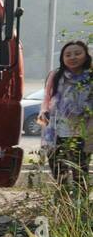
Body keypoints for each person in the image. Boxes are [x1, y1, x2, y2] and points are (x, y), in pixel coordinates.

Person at [38, 40, 93, 187]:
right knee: (59, 174)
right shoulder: (56, 75)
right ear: (62, 58)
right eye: (68, 54)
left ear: (86, 56)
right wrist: (44, 112)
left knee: (80, 175)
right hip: (55, 134)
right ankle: (62, 204)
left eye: (77, 53)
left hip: (81, 134)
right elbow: (47, 98)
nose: (73, 57)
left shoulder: (91, 78)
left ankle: (79, 207)